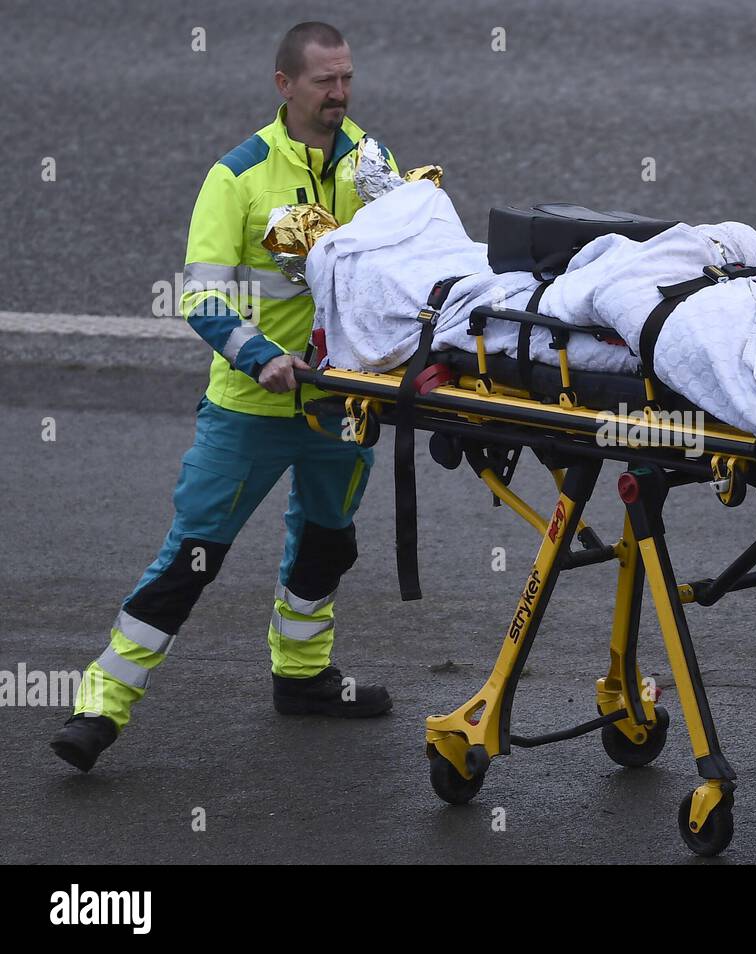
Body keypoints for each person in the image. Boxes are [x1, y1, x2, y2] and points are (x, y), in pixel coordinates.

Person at [50, 21, 396, 773]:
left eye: (346, 80)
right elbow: (200, 297)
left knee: (328, 544)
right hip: (250, 408)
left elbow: (397, 266)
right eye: (323, 82)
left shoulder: (372, 161)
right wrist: (262, 357)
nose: (339, 95)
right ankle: (100, 707)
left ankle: (303, 678)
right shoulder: (235, 176)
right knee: (193, 558)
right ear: (284, 86)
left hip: (340, 402)